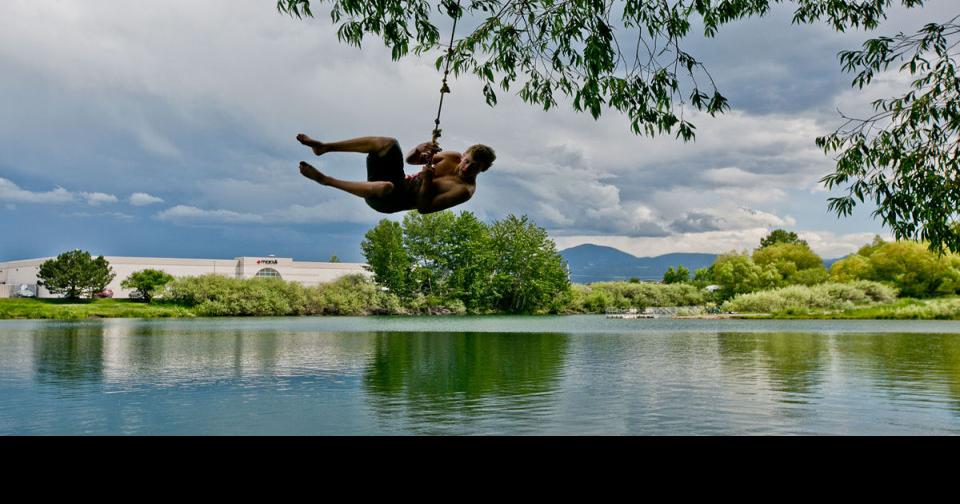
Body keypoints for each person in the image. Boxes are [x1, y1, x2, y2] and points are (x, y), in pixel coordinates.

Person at [296, 134, 495, 214]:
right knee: (388, 143)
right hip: (399, 180)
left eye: (474, 167)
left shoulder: (464, 191)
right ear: (463, 155)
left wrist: (427, 181)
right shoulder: (451, 157)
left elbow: (424, 209)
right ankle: (324, 147)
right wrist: (418, 150)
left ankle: (326, 180)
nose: (466, 167)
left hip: (390, 201)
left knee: (386, 186)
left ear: (483, 170)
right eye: (467, 161)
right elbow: (411, 160)